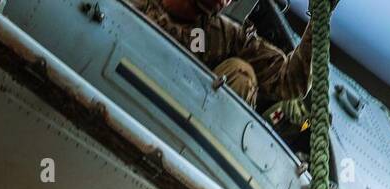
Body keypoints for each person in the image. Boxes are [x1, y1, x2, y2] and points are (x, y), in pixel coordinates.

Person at [130, 0, 324, 109]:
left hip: (176, 131)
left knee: (240, 74)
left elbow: (289, 81)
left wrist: (320, 20)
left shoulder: (225, 35)